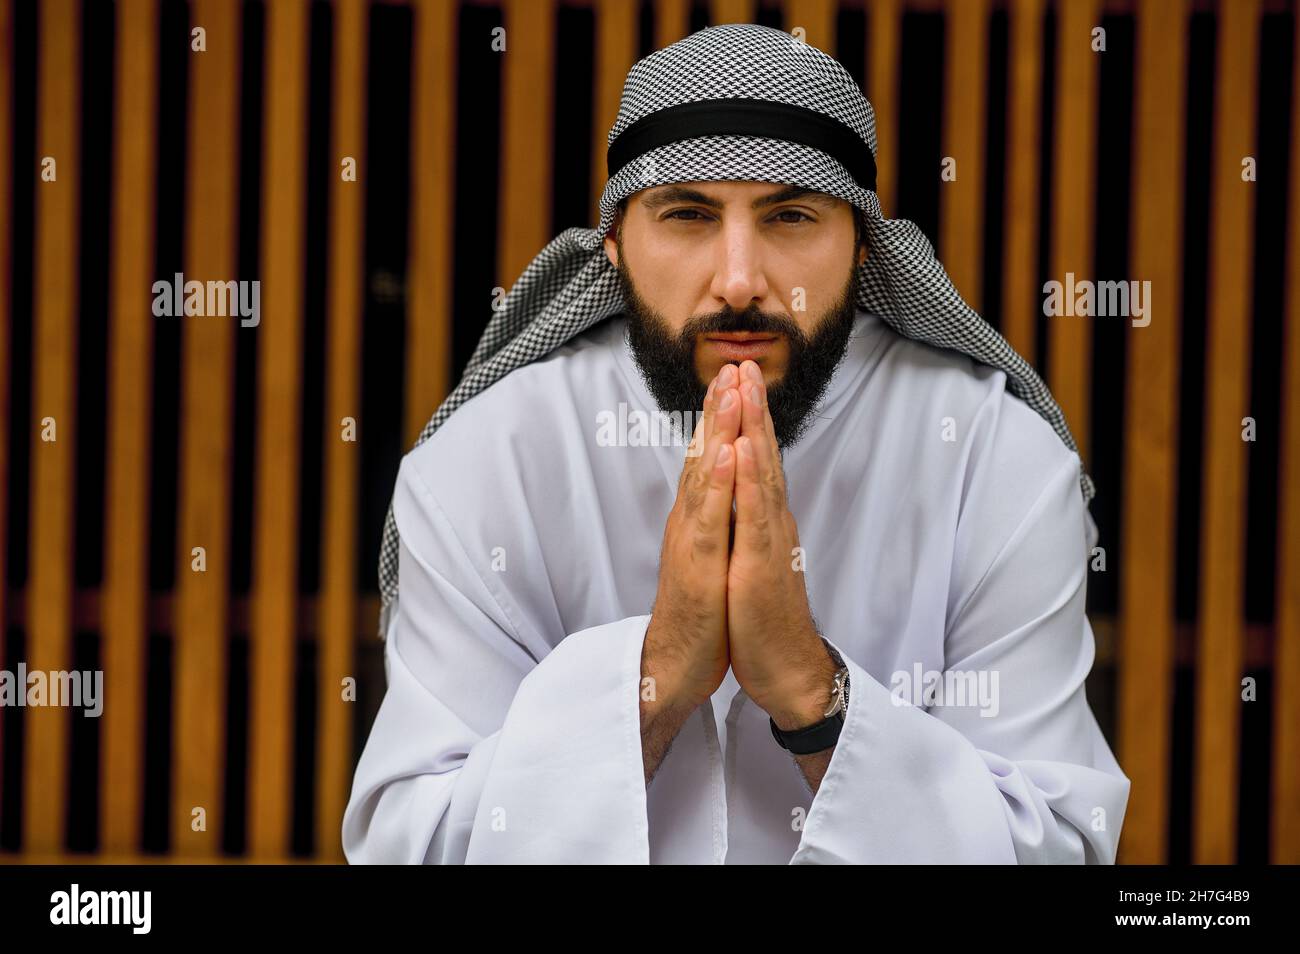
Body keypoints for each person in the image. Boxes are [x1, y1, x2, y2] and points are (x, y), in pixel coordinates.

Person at [343, 23, 1130, 864]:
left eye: (791, 215)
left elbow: (1061, 849)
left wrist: (811, 690)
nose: (742, 279)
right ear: (613, 242)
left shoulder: (995, 461)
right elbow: (410, 846)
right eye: (687, 214)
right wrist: (657, 673)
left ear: (863, 245)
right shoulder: (487, 462)